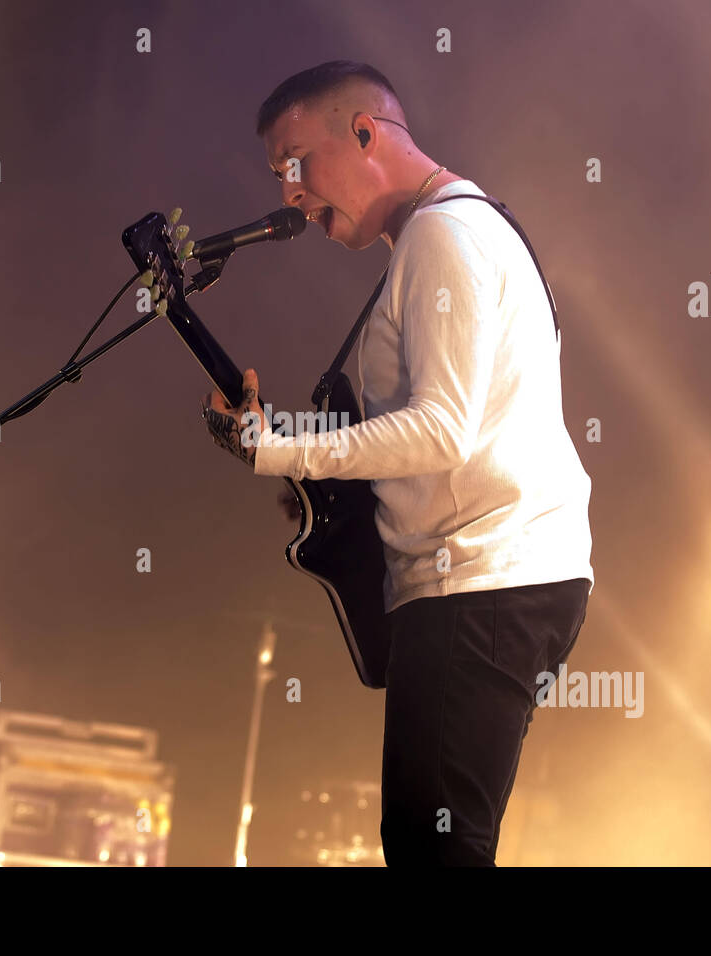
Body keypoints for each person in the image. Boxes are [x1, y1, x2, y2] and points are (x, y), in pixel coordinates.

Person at [202, 61, 594, 866]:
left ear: (364, 133)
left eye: (296, 162)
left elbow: (442, 429)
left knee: (432, 849)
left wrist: (283, 448)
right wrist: (301, 458)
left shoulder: (442, 233)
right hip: (496, 580)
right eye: (278, 174)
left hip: (481, 582)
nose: (290, 194)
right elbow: (449, 429)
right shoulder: (457, 228)